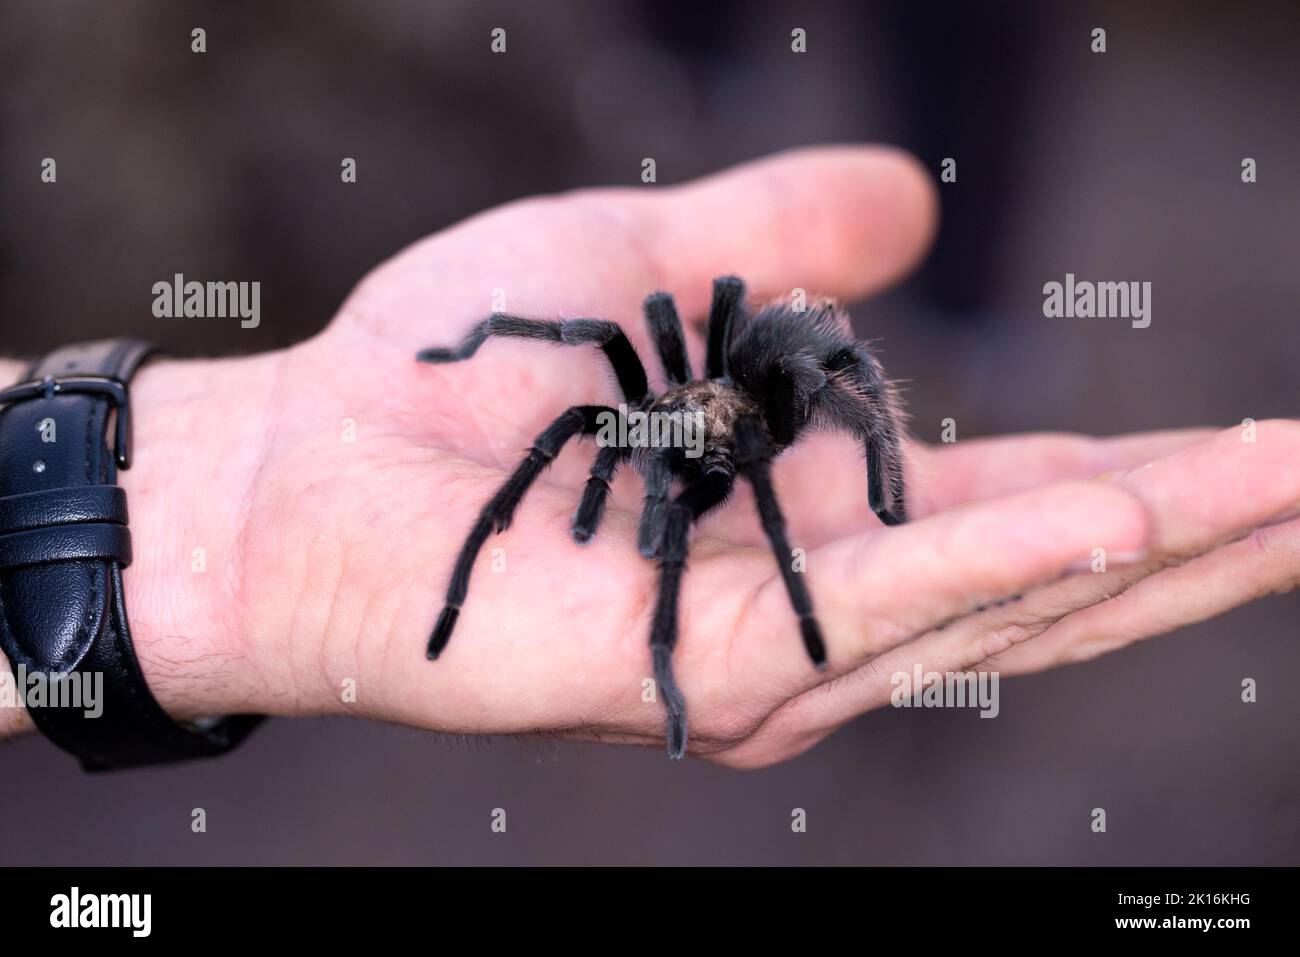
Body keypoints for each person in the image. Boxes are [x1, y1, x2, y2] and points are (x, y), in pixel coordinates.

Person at [3, 145, 1296, 767]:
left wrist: (875, 497)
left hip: (740, 403)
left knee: (737, 505)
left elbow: (802, 407)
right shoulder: (639, 409)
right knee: (584, 406)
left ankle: (684, 654)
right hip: (684, 406)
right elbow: (569, 356)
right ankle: (472, 576)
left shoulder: (766, 409)